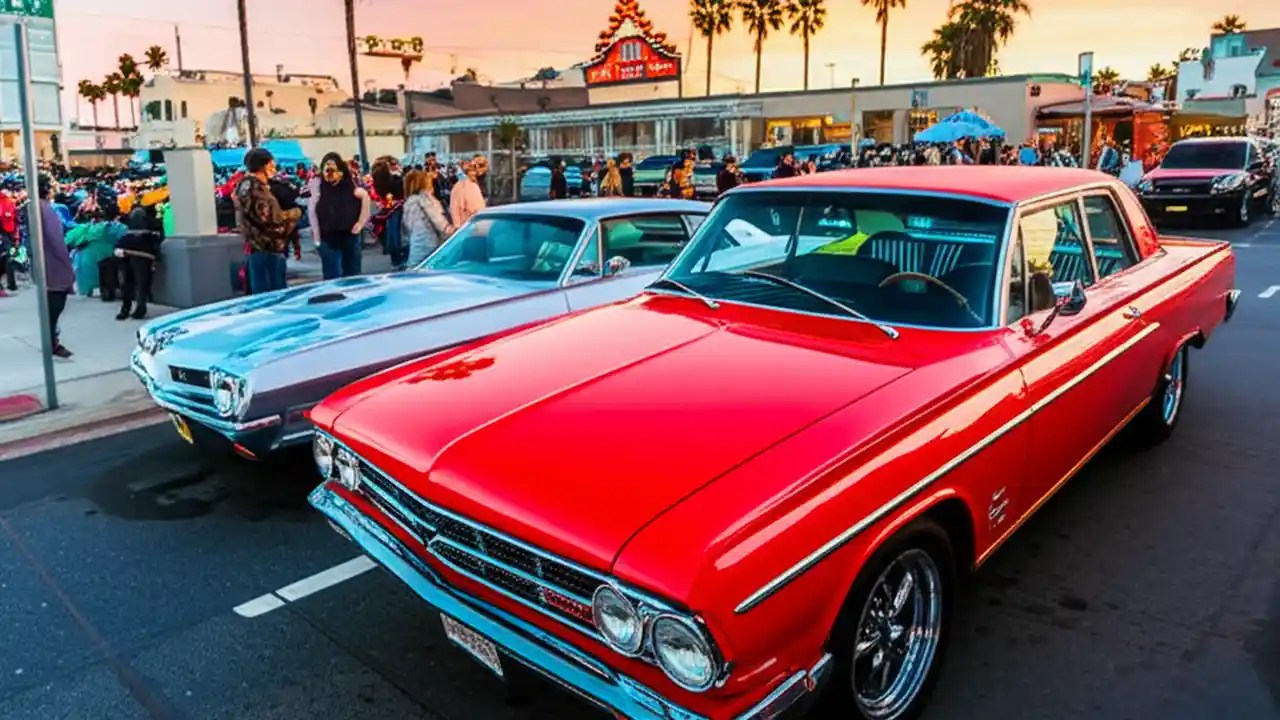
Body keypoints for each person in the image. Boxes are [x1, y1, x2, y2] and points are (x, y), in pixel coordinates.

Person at [235, 147, 302, 293]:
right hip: (264, 249)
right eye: (271, 164)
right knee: (271, 297)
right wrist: (294, 213)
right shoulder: (253, 188)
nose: (274, 168)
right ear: (262, 166)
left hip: (269, 248)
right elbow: (266, 217)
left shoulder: (256, 187)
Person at [307, 151, 370, 280]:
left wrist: (360, 223)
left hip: (349, 236)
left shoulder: (351, 189)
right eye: (327, 170)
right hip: (327, 238)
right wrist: (317, 238)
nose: (330, 174)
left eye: (333, 170)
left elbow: (364, 197)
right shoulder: (319, 190)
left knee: (352, 276)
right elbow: (312, 213)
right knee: (332, 276)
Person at [36, 176, 75, 358]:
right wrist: (68, 265)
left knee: (50, 308)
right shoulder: (46, 210)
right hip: (53, 265)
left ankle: (50, 339)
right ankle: (52, 341)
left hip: (43, 265)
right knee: (55, 307)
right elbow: (56, 240)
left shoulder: (33, 208)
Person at [114, 207, 163, 320]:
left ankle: (126, 309)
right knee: (141, 286)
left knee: (127, 286)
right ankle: (139, 309)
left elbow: (117, 247)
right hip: (142, 262)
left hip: (128, 260)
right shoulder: (151, 236)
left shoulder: (126, 236)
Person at [402, 169, 453, 267]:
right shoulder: (425, 198)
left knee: (416, 268)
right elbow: (437, 220)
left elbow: (407, 227)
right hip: (430, 243)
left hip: (416, 243)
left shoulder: (409, 202)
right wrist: (450, 231)